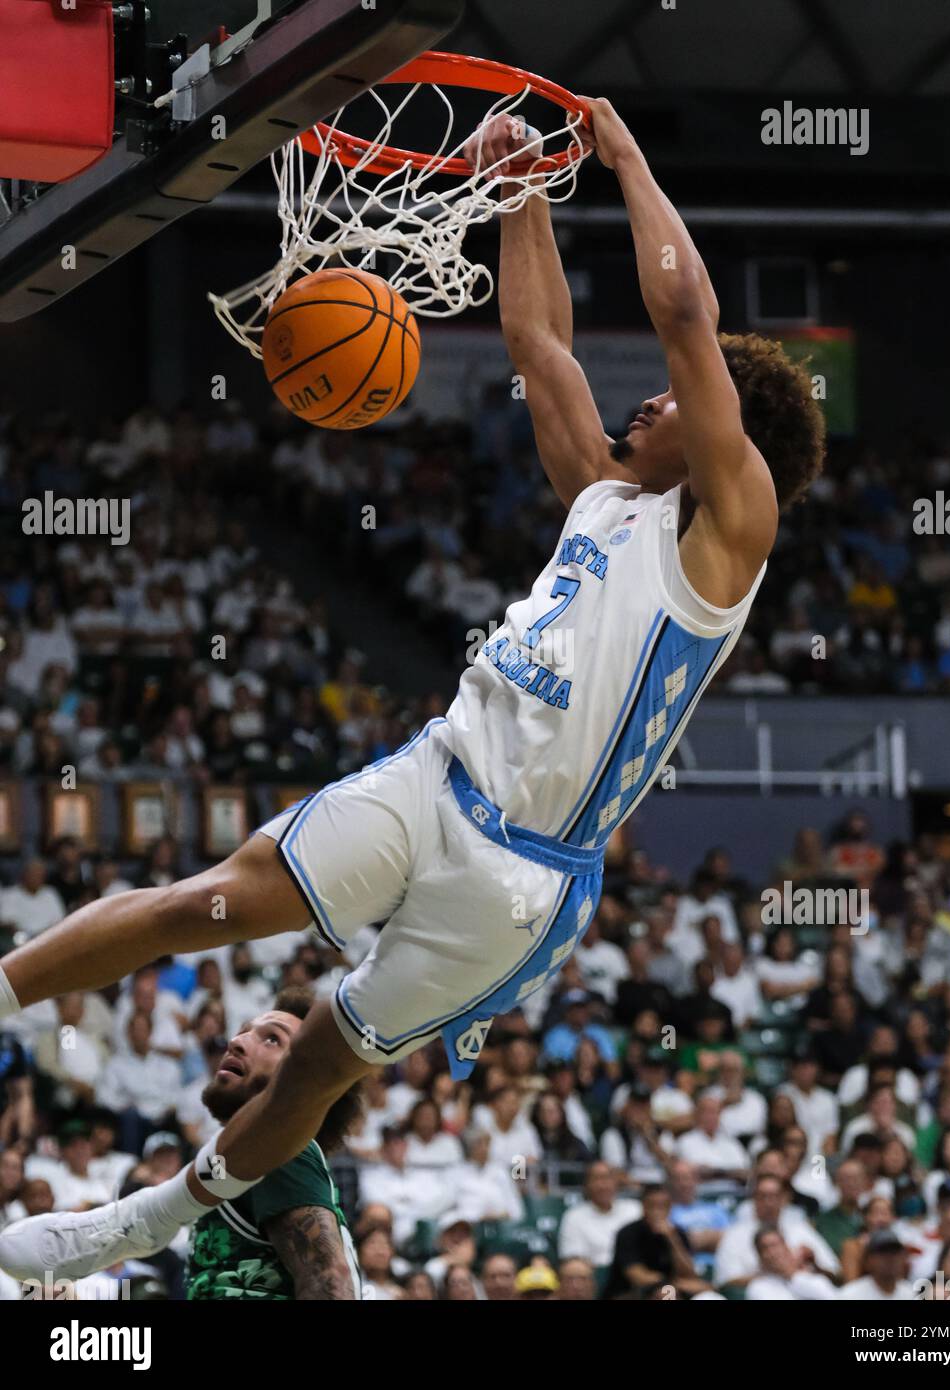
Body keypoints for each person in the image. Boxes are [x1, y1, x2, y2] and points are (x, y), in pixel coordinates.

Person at [0, 98, 825, 1281]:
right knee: (208, 899)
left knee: (327, 1054)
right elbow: (543, 346)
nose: (644, 402)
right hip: (435, 772)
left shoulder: (724, 545)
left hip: (520, 876)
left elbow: (684, 311)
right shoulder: (601, 498)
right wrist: (523, 189)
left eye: (672, 402)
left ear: (720, 433)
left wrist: (626, 153)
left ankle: (143, 1222)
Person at [183, 989, 361, 1300]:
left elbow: (329, 1280)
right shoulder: (252, 1149)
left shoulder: (279, 1146)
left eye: (272, 1039)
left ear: (304, 1077)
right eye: (244, 1032)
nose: (236, 1042)